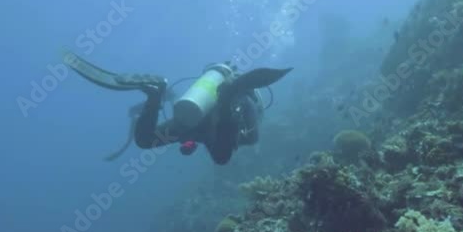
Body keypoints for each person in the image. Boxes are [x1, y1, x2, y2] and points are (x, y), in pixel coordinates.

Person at [64, 51, 292, 164]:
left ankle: (155, 96)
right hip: (217, 121)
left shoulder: (198, 104)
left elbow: (145, 139)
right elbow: (252, 139)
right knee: (222, 156)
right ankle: (224, 103)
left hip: (192, 122)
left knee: (145, 140)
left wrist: (155, 105)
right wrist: (228, 107)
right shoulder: (249, 101)